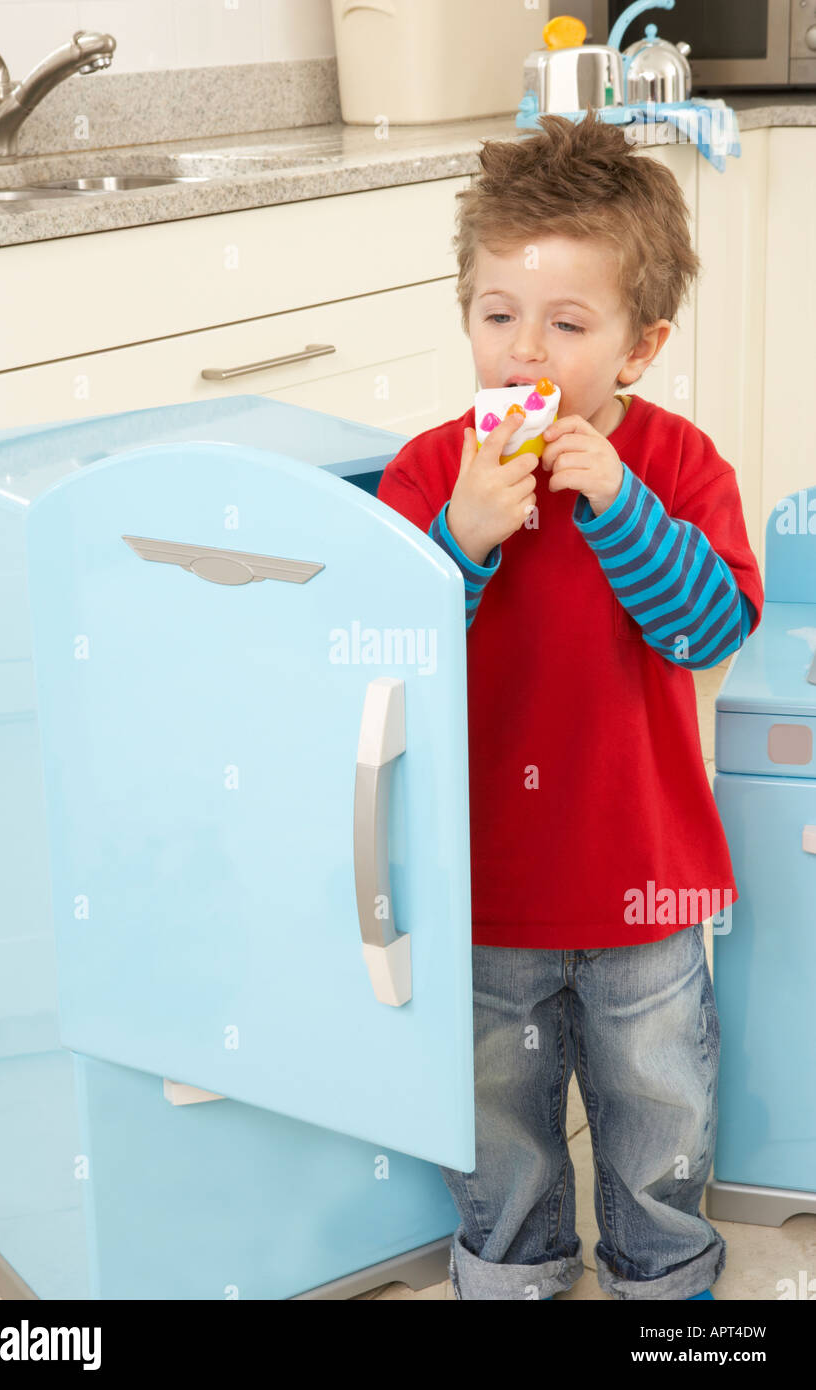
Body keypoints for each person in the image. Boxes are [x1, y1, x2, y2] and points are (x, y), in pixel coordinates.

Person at [376, 107, 764, 1301]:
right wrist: (460, 544)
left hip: (642, 876)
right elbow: (380, 662)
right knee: (498, 1119)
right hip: (483, 882)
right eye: (497, 317)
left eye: (565, 324)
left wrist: (620, 505)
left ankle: (662, 1283)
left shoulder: (682, 466)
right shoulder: (430, 473)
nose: (521, 355)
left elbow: (710, 629)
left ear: (637, 348)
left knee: (657, 1110)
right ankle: (510, 1277)